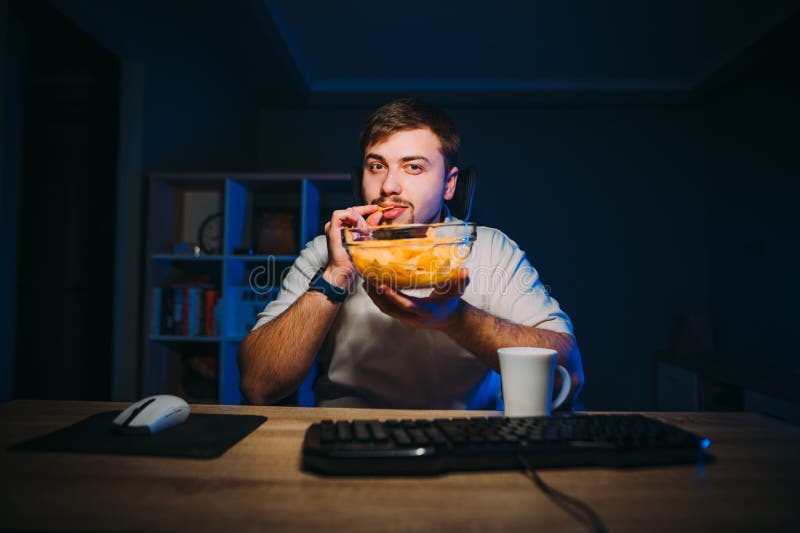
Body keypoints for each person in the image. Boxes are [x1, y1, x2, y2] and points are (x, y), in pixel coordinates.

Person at [238, 98, 583, 409]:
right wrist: (335, 275)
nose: (389, 186)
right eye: (377, 166)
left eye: (413, 167)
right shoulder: (326, 249)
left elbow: (568, 374)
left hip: (466, 443)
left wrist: (454, 318)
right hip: (346, 440)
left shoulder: (490, 249)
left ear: (450, 184)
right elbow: (258, 386)